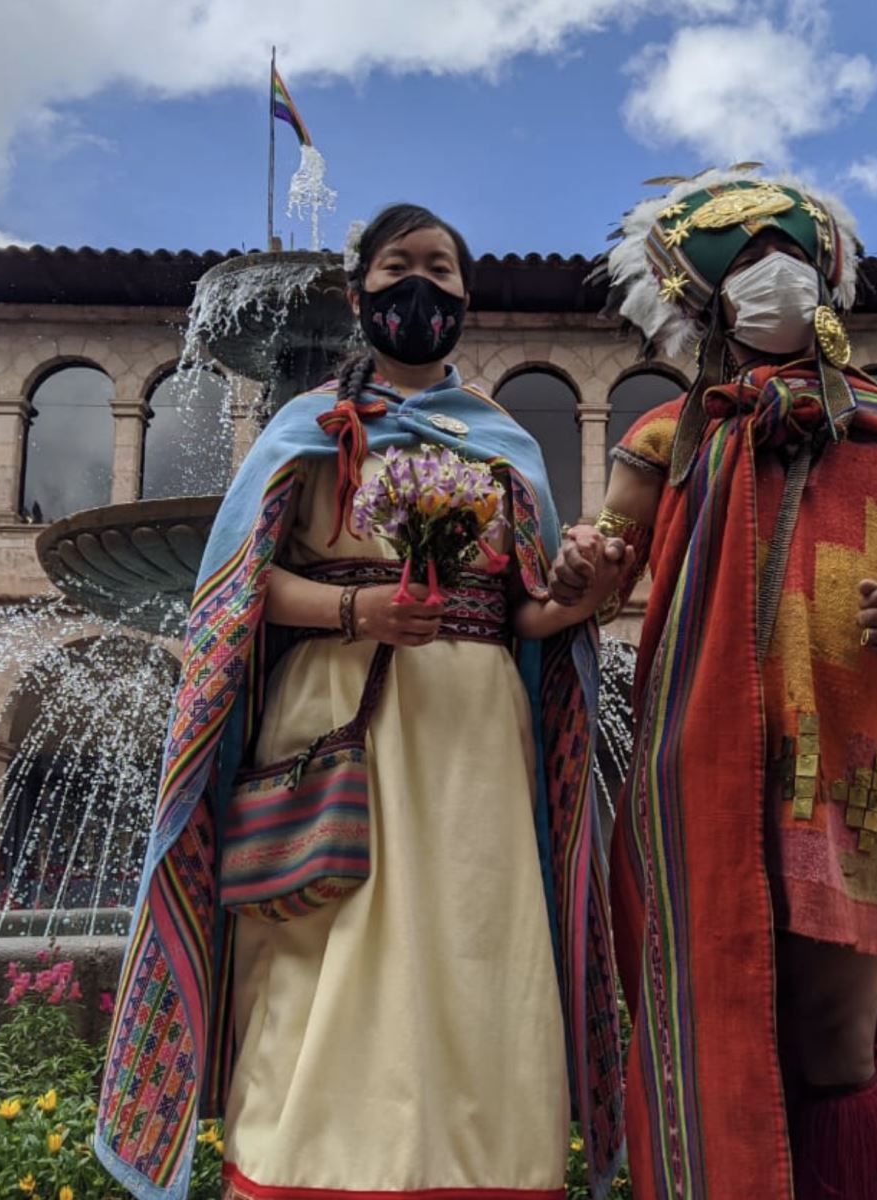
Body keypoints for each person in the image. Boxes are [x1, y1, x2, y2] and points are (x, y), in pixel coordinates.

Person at [96, 204, 628, 1200]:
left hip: (474, 730)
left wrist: (586, 596)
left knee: (477, 946)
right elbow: (243, 592)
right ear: (360, 295)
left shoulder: (504, 445)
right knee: (323, 948)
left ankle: (486, 1172)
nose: (419, 284)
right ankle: (309, 1171)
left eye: (440, 268)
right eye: (398, 266)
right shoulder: (307, 431)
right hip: (336, 715)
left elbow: (529, 616)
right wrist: (358, 608)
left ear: (466, 298)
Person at [555, 172, 877, 1200]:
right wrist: (583, 562)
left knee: (839, 1042)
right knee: (721, 1023)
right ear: (706, 298)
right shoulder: (668, 438)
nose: (775, 276)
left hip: (857, 781)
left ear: (828, 273)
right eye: (748, 261)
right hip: (705, 770)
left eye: (788, 253)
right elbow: (602, 576)